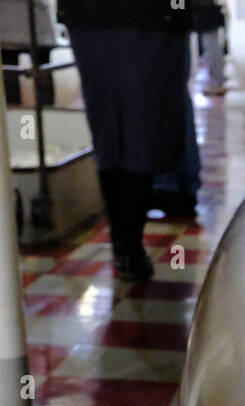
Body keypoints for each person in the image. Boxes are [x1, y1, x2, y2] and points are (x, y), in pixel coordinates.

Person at [56, 0, 192, 280]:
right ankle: (128, 243)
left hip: (93, 18)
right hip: (152, 17)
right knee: (142, 128)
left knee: (109, 125)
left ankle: (124, 242)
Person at [0, 0, 58, 106]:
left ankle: (47, 115)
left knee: (41, 76)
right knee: (11, 79)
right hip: (7, 25)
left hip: (36, 25)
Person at [191, 2, 228, 96]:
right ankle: (217, 81)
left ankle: (217, 82)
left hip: (206, 14)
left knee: (211, 48)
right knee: (211, 47)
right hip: (207, 13)